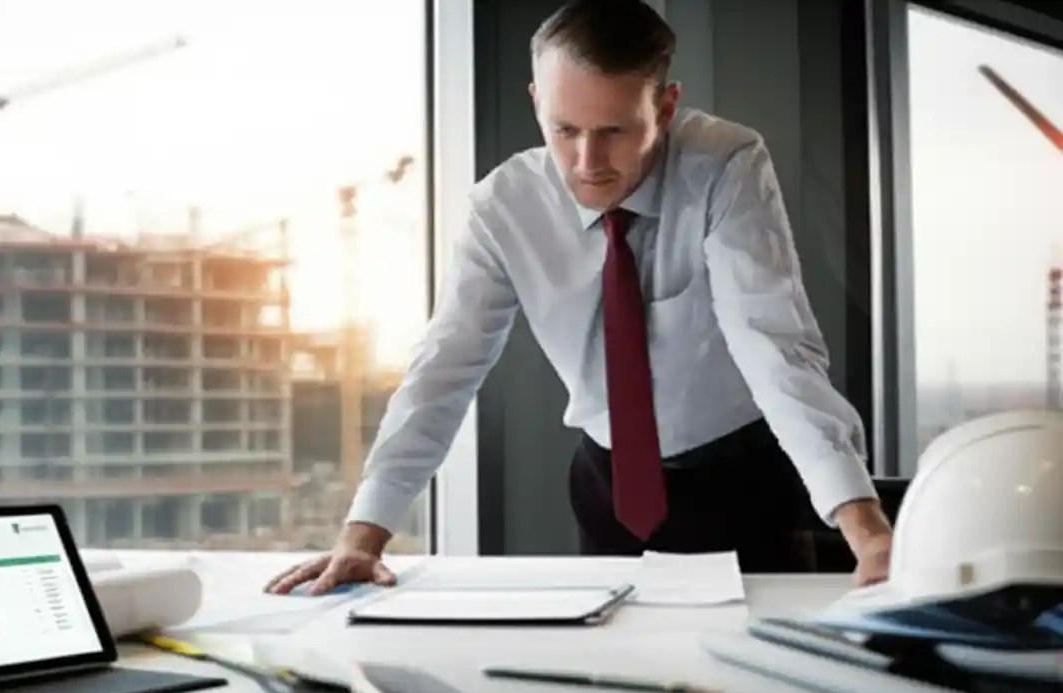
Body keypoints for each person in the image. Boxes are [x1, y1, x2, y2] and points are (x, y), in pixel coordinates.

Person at [266, 0, 893, 596]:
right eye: (564, 130)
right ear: (537, 101)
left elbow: (772, 345)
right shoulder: (503, 205)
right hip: (611, 486)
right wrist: (363, 536)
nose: (587, 162)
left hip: (747, 481)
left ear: (667, 107)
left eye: (615, 132)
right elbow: (444, 367)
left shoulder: (724, 165)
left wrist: (867, 532)